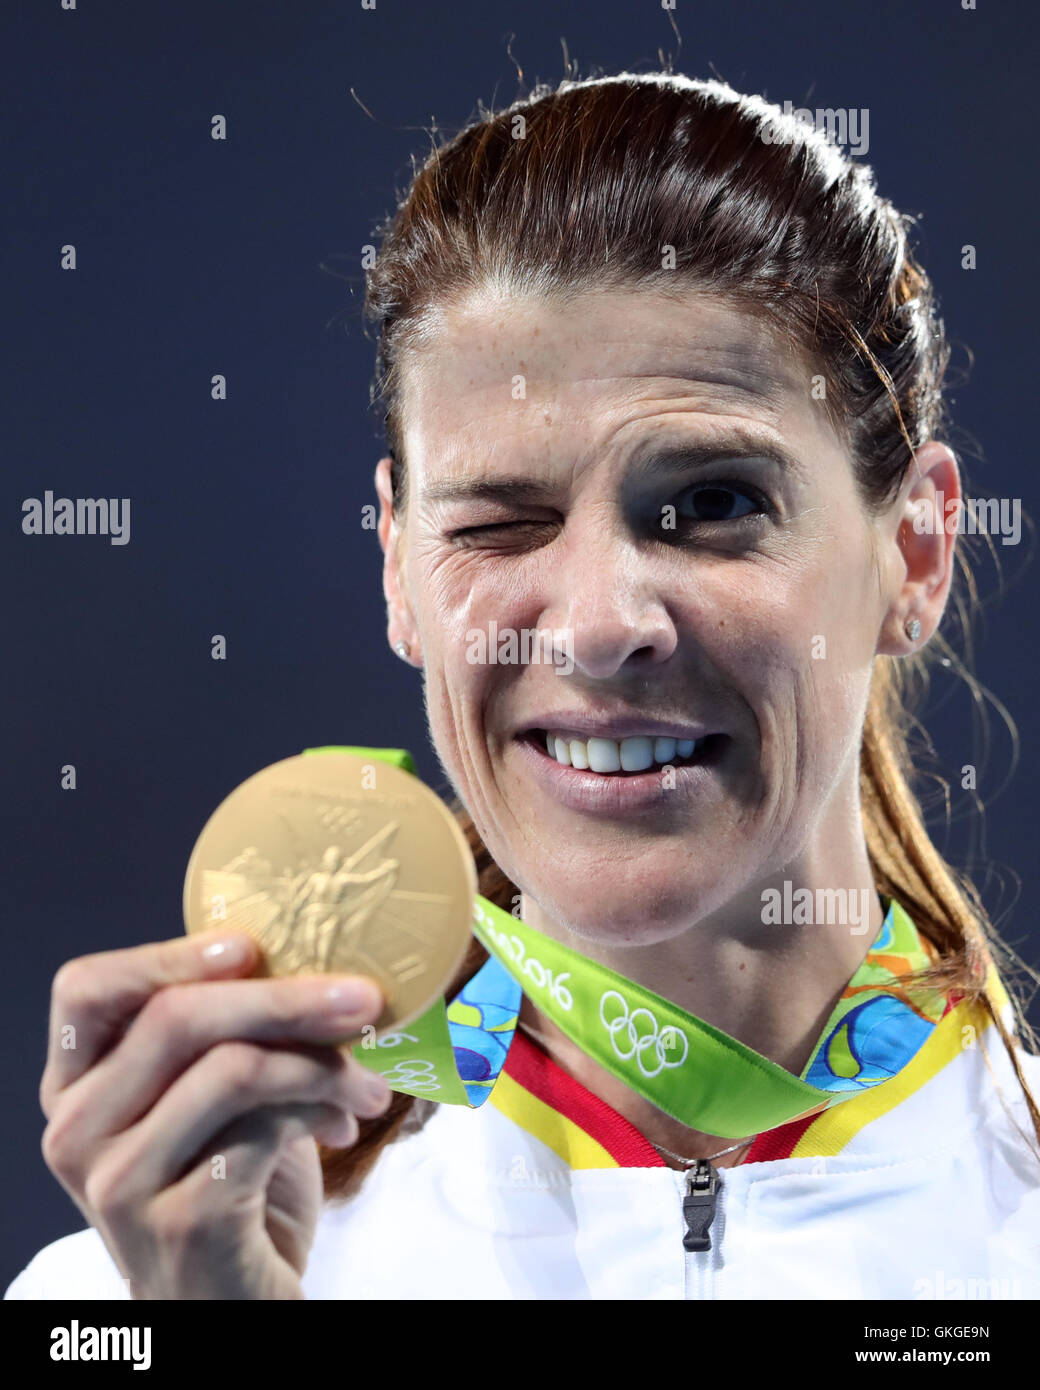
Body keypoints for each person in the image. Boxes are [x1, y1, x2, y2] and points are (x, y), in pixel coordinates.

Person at [8, 70, 1040, 1301]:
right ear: (398, 568)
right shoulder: (129, 1291)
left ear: (911, 551)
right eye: (501, 523)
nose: (601, 626)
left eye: (712, 504)